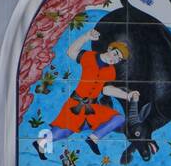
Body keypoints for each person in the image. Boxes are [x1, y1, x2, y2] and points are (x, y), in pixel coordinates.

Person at [34, 28, 137, 157]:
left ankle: (93, 138)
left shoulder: (111, 71)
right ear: (110, 49)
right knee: (65, 132)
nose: (115, 59)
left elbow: (106, 89)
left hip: (91, 107)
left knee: (119, 118)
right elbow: (71, 52)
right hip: (75, 104)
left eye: (119, 59)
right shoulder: (90, 56)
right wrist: (86, 36)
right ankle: (41, 142)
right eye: (116, 54)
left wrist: (127, 95)